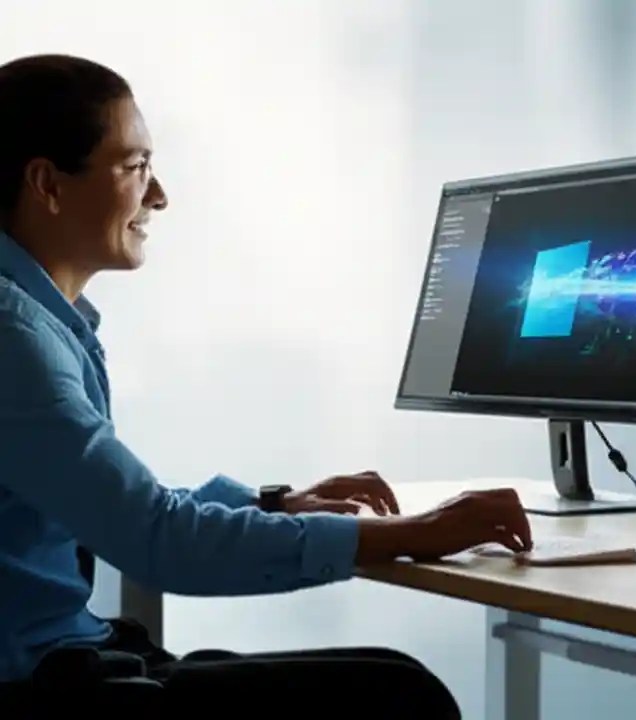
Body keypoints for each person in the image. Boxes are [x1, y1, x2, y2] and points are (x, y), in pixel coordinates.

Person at [0, 53, 533, 716]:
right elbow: (155, 538)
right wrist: (414, 533)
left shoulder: (38, 322)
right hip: (39, 682)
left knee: (388, 678)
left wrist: (274, 505)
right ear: (48, 185)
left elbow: (110, 509)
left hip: (69, 655)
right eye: (135, 167)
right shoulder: (14, 337)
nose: (159, 194)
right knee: (399, 695)